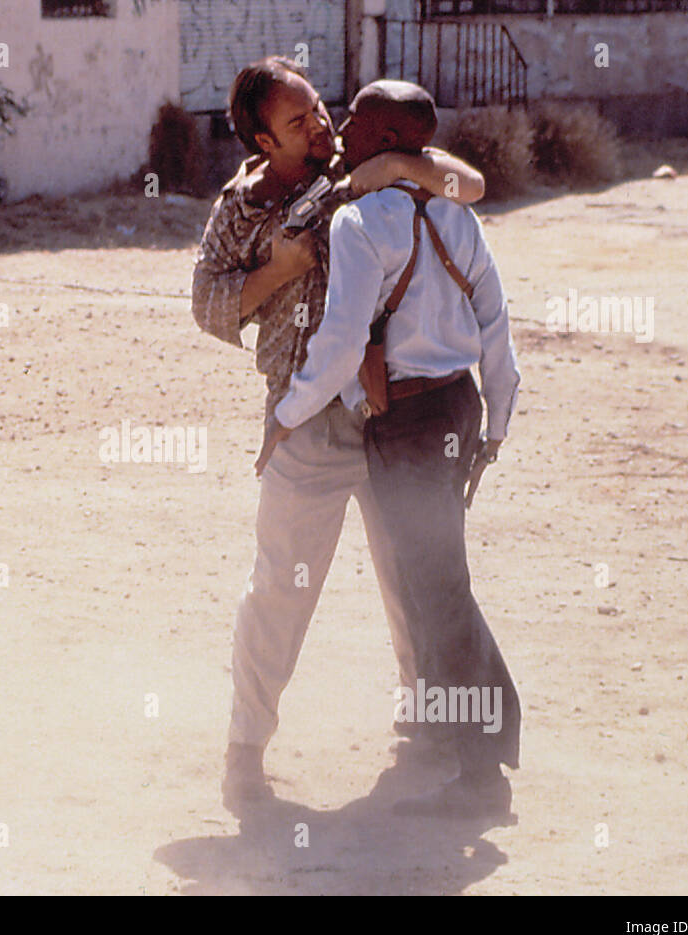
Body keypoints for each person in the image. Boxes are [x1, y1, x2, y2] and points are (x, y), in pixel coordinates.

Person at [191, 57, 487, 812]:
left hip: (397, 422)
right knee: (279, 590)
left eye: (321, 110)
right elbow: (210, 304)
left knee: (411, 585)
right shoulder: (240, 210)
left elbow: (469, 186)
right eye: (300, 122)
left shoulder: (366, 173)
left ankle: (432, 736)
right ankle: (245, 750)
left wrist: (394, 160)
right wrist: (278, 268)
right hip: (305, 422)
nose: (322, 127)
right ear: (263, 139)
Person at [258, 79, 521, 818]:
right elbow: (495, 322)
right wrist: (497, 420)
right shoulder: (456, 216)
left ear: (379, 141)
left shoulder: (359, 223)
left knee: (437, 592)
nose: (338, 127)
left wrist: (288, 410)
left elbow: (341, 345)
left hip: (405, 426)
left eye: (354, 121)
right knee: (435, 585)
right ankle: (465, 741)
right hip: (458, 407)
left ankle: (483, 770)